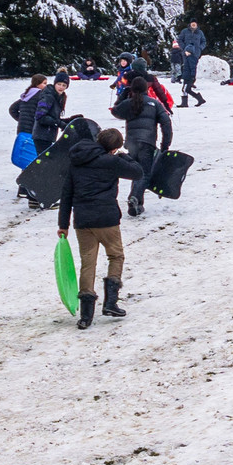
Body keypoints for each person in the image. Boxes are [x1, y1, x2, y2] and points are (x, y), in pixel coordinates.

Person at [58, 127, 141, 329]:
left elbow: (66, 194)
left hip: (83, 221)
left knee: (88, 263)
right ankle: (111, 303)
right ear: (114, 148)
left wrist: (63, 224)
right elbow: (138, 172)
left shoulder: (76, 161)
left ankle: (86, 316)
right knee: (116, 256)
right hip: (107, 219)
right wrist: (125, 157)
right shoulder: (112, 161)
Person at [111, 75, 173, 218]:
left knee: (136, 172)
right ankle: (134, 198)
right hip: (147, 143)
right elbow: (166, 124)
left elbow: (115, 111)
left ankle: (138, 204)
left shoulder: (128, 103)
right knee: (144, 173)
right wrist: (165, 145)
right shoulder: (154, 103)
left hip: (132, 143)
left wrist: (123, 96)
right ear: (147, 88)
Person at [175, 21, 207, 106]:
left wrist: (199, 48)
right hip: (186, 52)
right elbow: (180, 40)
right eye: (192, 24)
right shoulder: (185, 31)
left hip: (195, 53)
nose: (193, 25)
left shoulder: (200, 32)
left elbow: (204, 41)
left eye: (195, 24)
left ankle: (197, 99)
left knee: (186, 87)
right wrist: (184, 48)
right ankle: (186, 102)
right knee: (185, 87)